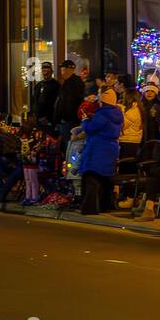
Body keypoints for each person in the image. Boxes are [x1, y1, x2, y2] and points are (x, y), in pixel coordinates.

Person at [78, 87, 123, 215]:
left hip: (97, 148)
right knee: (106, 178)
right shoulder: (117, 113)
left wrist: (86, 120)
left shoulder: (102, 114)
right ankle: (105, 205)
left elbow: (90, 128)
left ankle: (90, 207)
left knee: (91, 177)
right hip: (111, 148)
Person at [52, 59, 85, 148]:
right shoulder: (67, 83)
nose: (61, 72)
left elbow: (68, 104)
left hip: (70, 121)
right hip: (65, 121)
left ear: (68, 70)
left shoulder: (74, 83)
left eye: (62, 69)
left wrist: (62, 117)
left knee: (70, 145)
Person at [32, 62, 60, 126]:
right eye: (43, 70)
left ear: (51, 72)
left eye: (47, 71)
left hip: (49, 119)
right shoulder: (38, 85)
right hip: (38, 118)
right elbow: (34, 100)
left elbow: (57, 104)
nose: (45, 73)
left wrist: (51, 118)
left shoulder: (56, 85)